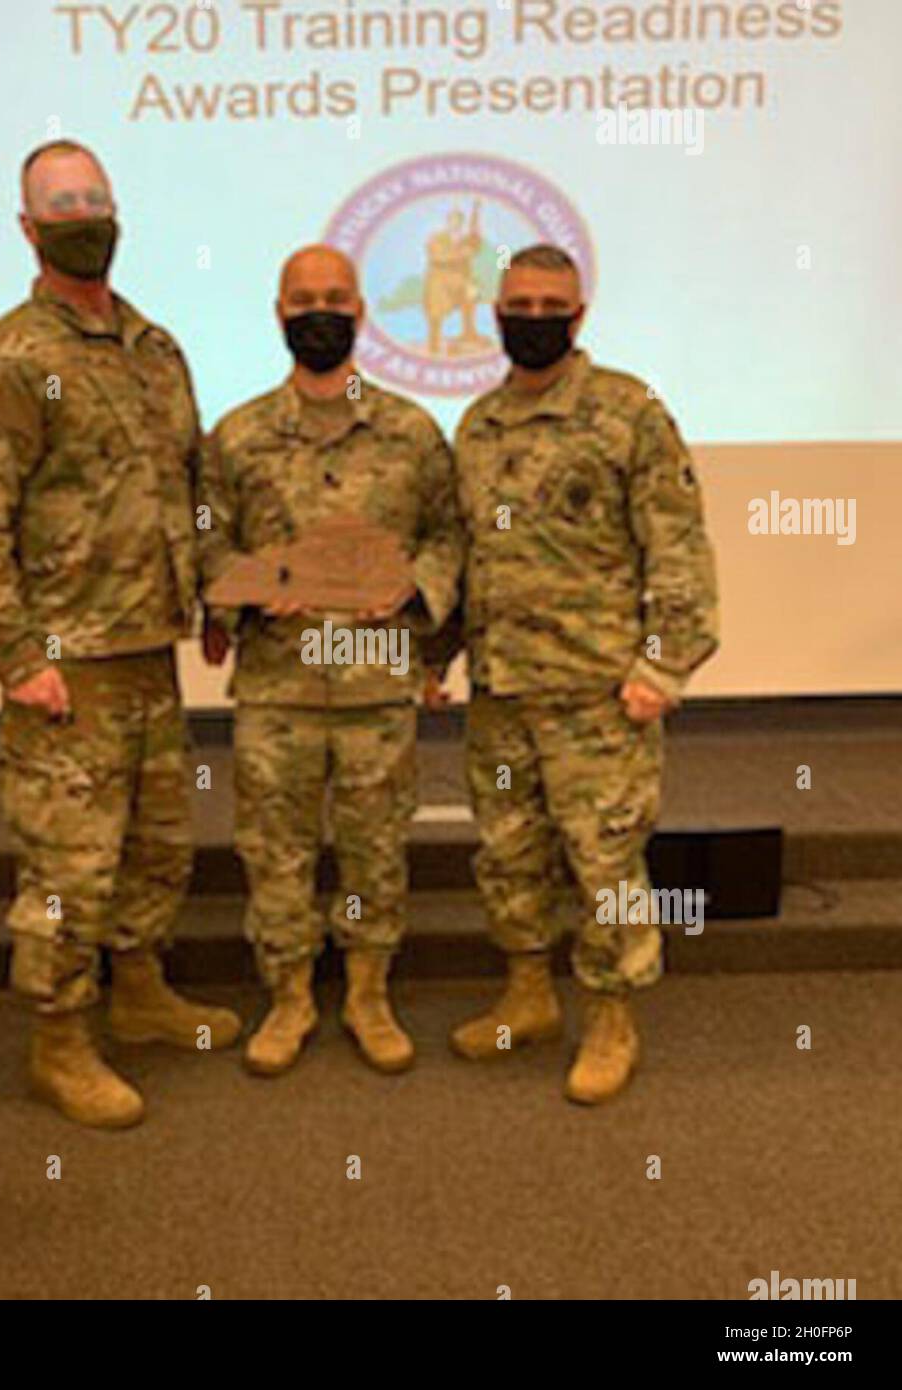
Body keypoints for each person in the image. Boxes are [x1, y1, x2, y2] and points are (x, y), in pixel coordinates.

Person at [0, 140, 239, 1129]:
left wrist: (212, 597)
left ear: (119, 212)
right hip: (64, 660)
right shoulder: (9, 357)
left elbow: (189, 489)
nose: (83, 213)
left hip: (147, 646)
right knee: (68, 863)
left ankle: (140, 991)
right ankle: (59, 1042)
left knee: (154, 845)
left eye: (95, 197)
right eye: (61, 202)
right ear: (26, 228)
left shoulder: (155, 350)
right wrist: (15, 656)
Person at [433, 243, 719, 1104]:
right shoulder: (478, 425)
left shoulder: (627, 413)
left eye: (549, 304)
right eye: (517, 304)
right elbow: (466, 551)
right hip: (503, 693)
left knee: (606, 865)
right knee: (509, 854)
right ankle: (528, 997)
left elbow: (678, 547)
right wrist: (430, 652)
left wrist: (662, 668)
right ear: (495, 312)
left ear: (579, 313)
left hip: (599, 695)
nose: (531, 318)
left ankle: (610, 1016)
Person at [198, 245, 463, 1075]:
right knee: (273, 850)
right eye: (304, 298)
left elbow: (449, 536)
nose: (320, 310)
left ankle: (368, 990)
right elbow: (204, 544)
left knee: (374, 846)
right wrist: (243, 590)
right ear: (278, 312)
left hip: (375, 680)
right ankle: (287, 994)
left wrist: (414, 590)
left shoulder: (412, 432)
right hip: (278, 683)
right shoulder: (238, 436)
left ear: (361, 313)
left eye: (336, 297)